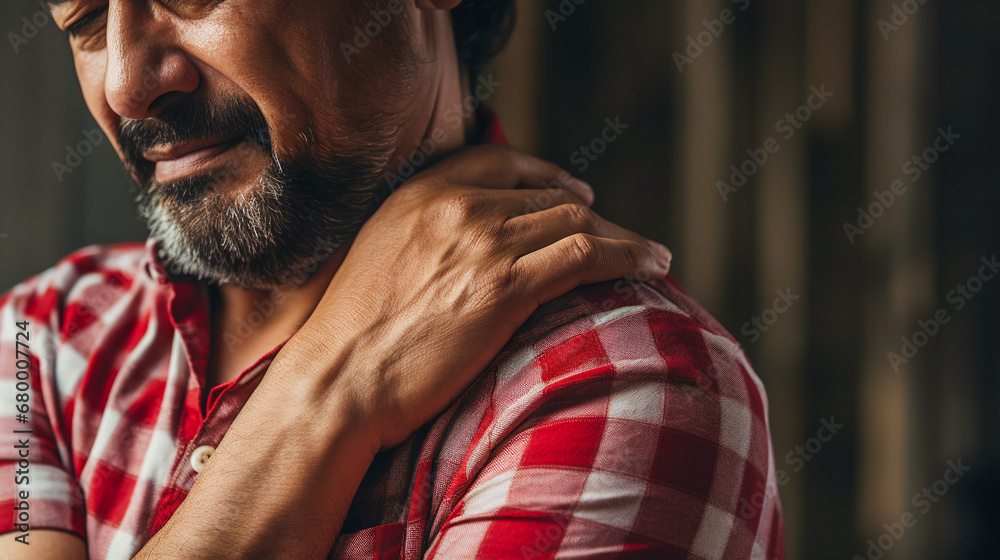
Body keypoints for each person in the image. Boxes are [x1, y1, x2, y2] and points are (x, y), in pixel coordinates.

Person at [0, 1, 784, 558]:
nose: (127, 84)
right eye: (85, 20)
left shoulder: (627, 384)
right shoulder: (39, 342)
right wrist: (325, 390)